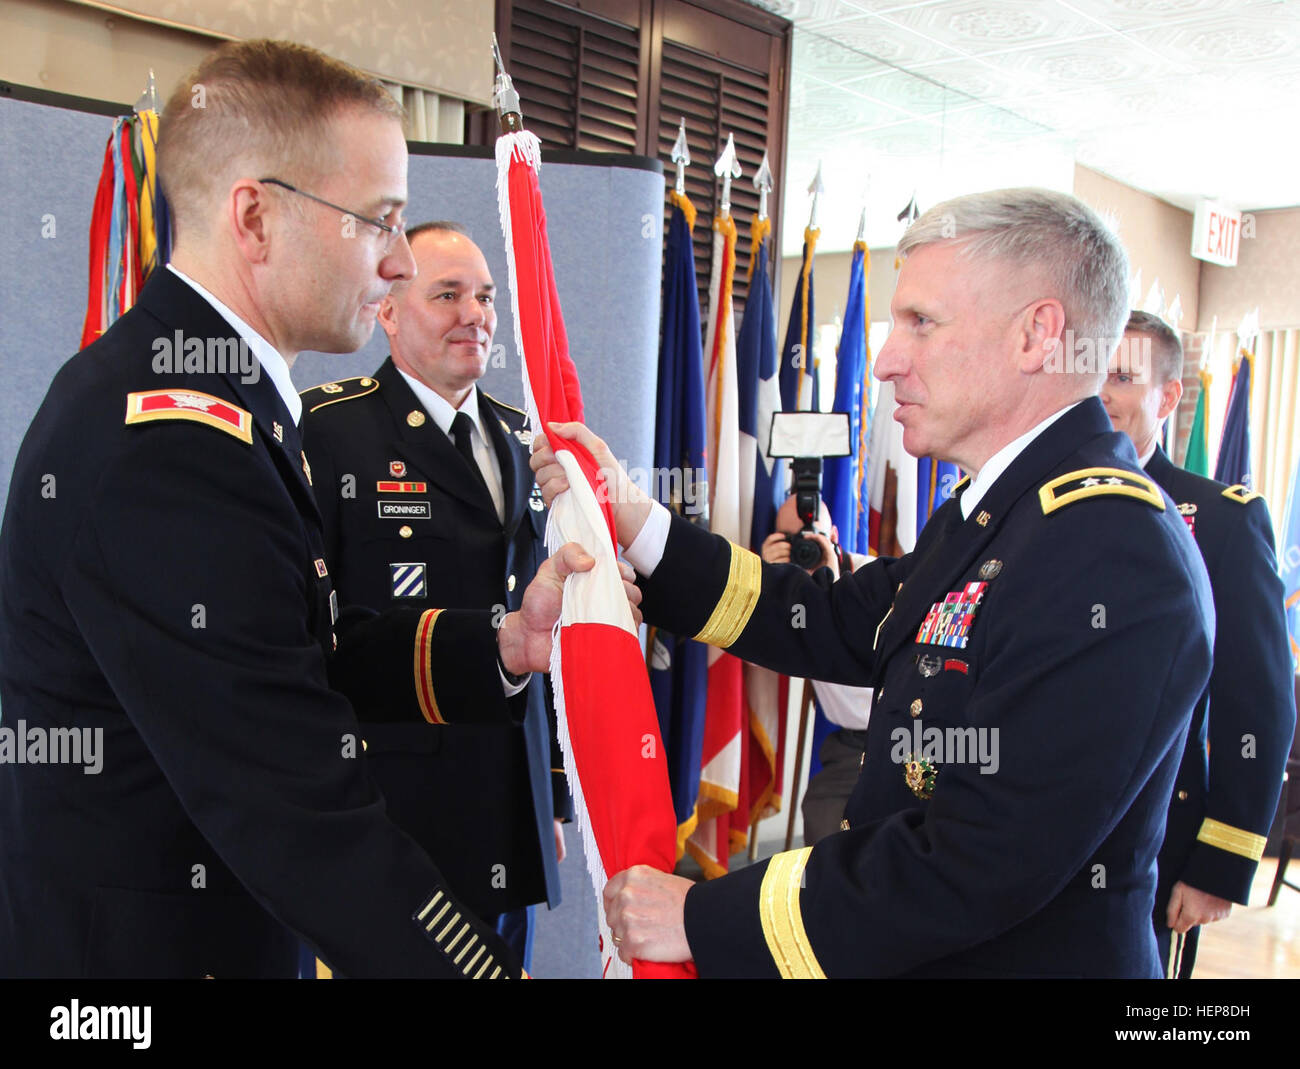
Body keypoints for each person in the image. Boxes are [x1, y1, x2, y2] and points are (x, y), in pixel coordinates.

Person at [0, 40, 638, 979]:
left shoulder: (229, 401)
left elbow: (299, 651)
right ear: (255, 217)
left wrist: (501, 644)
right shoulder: (174, 442)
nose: (394, 263)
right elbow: (294, 805)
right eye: (376, 221)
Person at [534, 187, 1216, 978]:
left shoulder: (1115, 548)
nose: (887, 358)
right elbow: (828, 617)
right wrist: (637, 520)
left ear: (1038, 336)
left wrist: (704, 912)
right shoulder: (999, 512)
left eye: (921, 322)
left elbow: (976, 860)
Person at [301, 222, 570, 969]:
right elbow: (311, 639)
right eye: (446, 294)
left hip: (509, 812)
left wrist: (548, 793)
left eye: (484, 296)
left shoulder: (526, 439)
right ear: (388, 310)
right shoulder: (327, 429)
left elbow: (539, 620)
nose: (475, 314)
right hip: (397, 813)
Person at [1103, 309, 1294, 977]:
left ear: (1168, 394)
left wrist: (1221, 860)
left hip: (1153, 844)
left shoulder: (1217, 520)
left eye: (1123, 376)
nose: (1103, 392)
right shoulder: (1035, 506)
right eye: (1091, 370)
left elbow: (1259, 701)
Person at [758, 494, 873, 846]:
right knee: (822, 816)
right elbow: (755, 655)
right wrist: (765, 580)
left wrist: (833, 583)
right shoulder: (790, 596)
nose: (803, 548)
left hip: (908, 736)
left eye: (812, 537)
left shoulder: (874, 576)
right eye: (791, 540)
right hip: (850, 747)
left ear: (834, 534)